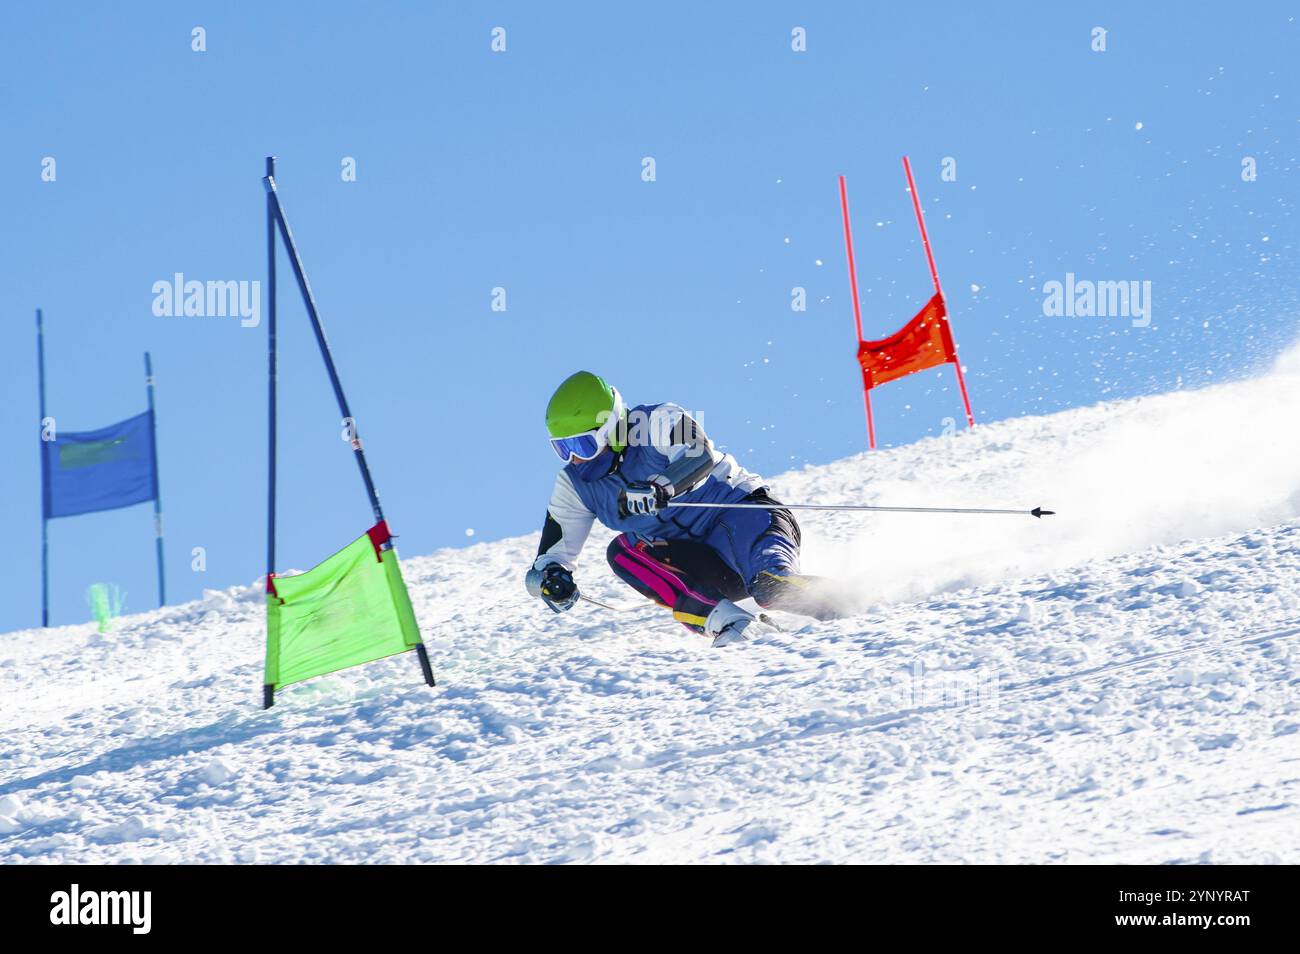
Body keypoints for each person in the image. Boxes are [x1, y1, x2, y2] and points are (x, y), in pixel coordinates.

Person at [525, 371, 851, 645]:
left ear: (610, 426)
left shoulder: (657, 420)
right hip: (703, 564)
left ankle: (854, 604)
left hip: (746, 517)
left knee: (771, 588)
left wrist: (661, 487)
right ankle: (732, 625)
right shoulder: (575, 485)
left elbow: (699, 454)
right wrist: (551, 579)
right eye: (562, 449)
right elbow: (549, 560)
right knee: (622, 552)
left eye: (582, 444)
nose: (575, 458)